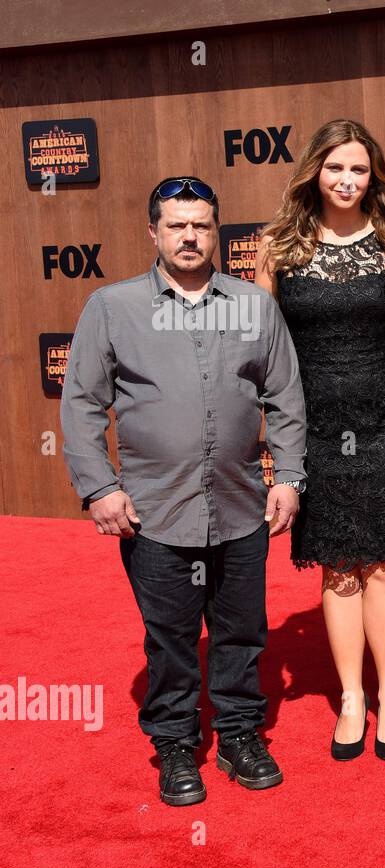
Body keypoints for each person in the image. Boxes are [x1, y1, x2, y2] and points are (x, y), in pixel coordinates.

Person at [60, 176, 307, 805]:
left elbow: (284, 398)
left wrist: (291, 477)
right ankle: (173, 743)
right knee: (168, 634)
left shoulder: (254, 306)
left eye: (200, 224)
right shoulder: (113, 308)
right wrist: (99, 489)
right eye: (176, 225)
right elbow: (82, 404)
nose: (190, 236)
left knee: (241, 629)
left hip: (241, 503)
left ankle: (239, 734)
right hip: (154, 511)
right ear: (154, 232)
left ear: (217, 230)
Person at [255, 120, 385, 762]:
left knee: (383, 559)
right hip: (313, 423)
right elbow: (263, 346)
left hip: (383, 418)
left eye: (358, 169)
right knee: (336, 563)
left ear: (373, 175)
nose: (346, 180)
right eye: (334, 168)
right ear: (313, 174)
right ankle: (351, 697)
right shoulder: (279, 247)